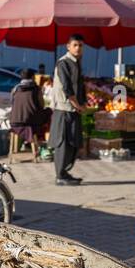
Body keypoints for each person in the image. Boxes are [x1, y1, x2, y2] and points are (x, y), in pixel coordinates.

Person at [49, 34, 87, 186]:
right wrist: (77, 105)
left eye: (81, 45)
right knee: (63, 143)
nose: (78, 48)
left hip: (74, 109)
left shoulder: (76, 63)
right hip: (64, 109)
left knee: (73, 143)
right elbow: (67, 87)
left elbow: (80, 87)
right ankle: (60, 175)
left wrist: (82, 103)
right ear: (68, 46)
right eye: (75, 45)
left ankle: (65, 172)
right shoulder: (63, 63)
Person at [9, 67, 48, 151]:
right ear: (32, 77)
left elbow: (12, 104)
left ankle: (27, 143)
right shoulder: (36, 89)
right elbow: (41, 105)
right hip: (32, 122)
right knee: (50, 112)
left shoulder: (15, 89)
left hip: (14, 122)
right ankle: (45, 144)